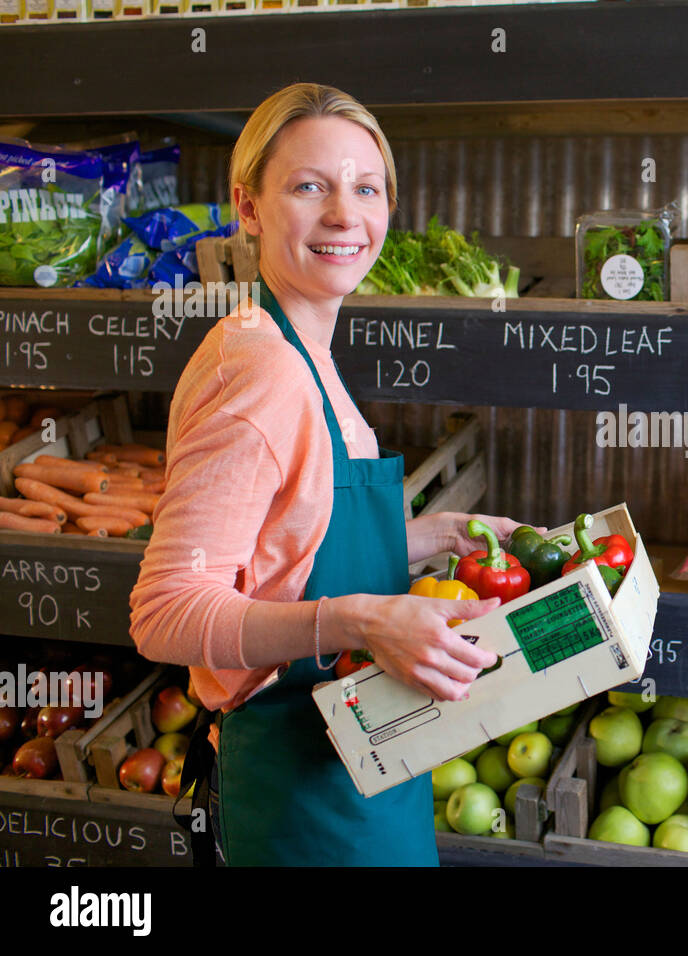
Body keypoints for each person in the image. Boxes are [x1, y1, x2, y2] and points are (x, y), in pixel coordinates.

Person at [129, 82, 525, 866]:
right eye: (311, 186)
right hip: (301, 793)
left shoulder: (305, 351)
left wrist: (433, 538)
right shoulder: (260, 369)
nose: (346, 214)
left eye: (366, 188)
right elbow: (164, 612)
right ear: (248, 206)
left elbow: (290, 548)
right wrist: (359, 621)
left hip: (363, 763)